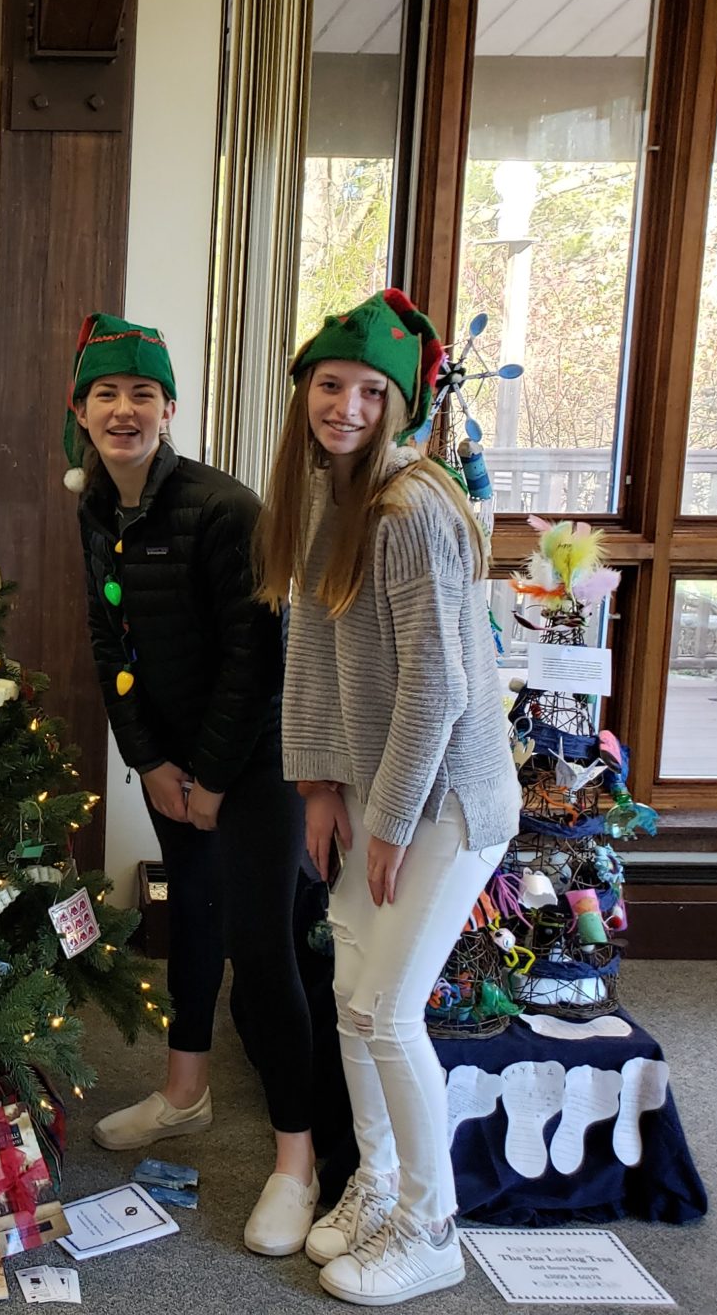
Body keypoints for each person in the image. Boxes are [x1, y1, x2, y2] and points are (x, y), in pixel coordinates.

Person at [65, 314, 354, 1257]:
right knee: (188, 914)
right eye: (105, 394)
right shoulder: (95, 505)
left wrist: (216, 781)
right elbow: (112, 646)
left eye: (142, 394)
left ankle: (297, 1162)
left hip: (257, 758)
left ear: (170, 409)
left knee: (260, 948)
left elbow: (255, 656)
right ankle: (184, 1095)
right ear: (80, 410)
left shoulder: (225, 509)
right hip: (175, 765)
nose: (124, 410)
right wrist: (150, 764)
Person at [254, 289, 520, 1306]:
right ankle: (375, 1182)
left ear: (400, 405)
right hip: (368, 788)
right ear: (303, 392)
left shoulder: (408, 508)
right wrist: (319, 785)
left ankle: (431, 1224)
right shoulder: (325, 494)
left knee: (382, 1008)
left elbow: (437, 688)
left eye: (372, 392)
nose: (347, 406)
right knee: (346, 992)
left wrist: (388, 822)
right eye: (331, 385)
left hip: (441, 800)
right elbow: (312, 655)